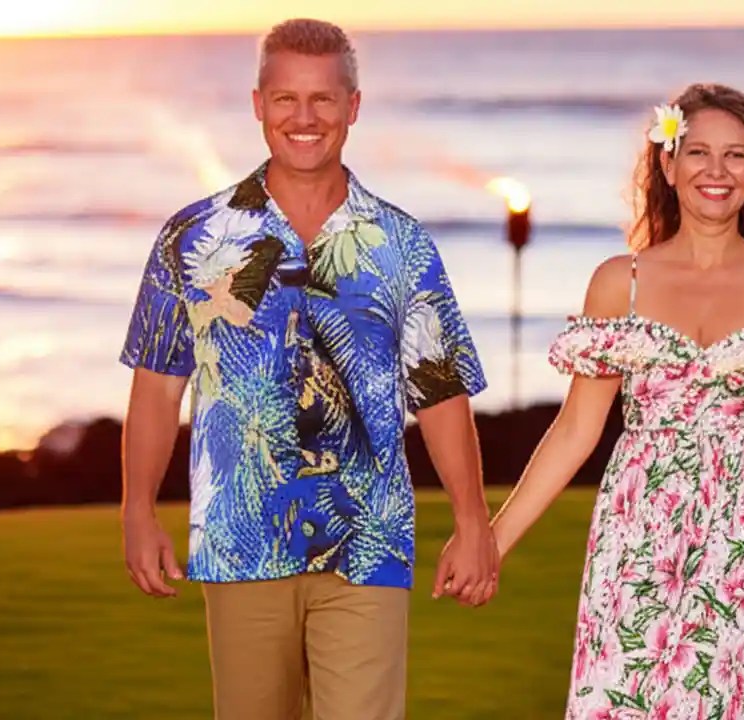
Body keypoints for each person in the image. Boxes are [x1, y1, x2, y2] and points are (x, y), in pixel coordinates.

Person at [118, 18, 498, 720]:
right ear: (258, 104)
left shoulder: (401, 244)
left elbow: (439, 392)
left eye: (323, 99)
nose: (304, 117)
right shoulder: (194, 237)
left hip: (369, 541)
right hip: (240, 540)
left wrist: (473, 523)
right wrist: (138, 509)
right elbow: (157, 383)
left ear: (352, 107)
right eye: (286, 99)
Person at [486, 83, 744, 718]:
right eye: (697, 153)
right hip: (637, 536)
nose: (716, 172)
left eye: (736, 155)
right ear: (668, 165)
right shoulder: (620, 283)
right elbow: (577, 428)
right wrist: (491, 542)